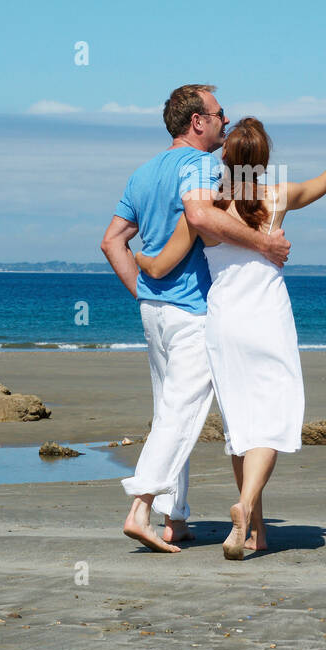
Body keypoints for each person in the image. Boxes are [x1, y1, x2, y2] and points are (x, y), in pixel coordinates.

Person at [136, 117, 326, 558]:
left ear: (225, 159)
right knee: (269, 420)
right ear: (264, 161)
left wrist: (133, 253)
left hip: (223, 322)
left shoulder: (210, 208)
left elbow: (159, 267)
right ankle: (247, 505)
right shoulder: (276, 197)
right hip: (267, 319)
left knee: (240, 425)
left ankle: (257, 531)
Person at [100, 85, 291, 554]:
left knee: (169, 407)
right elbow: (200, 214)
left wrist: (146, 291)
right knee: (180, 415)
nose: (226, 123)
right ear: (197, 122)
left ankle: (175, 519)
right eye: (219, 114)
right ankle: (140, 508)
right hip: (192, 311)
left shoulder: (143, 173)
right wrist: (264, 243)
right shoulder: (204, 166)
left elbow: (112, 242)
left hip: (154, 311)